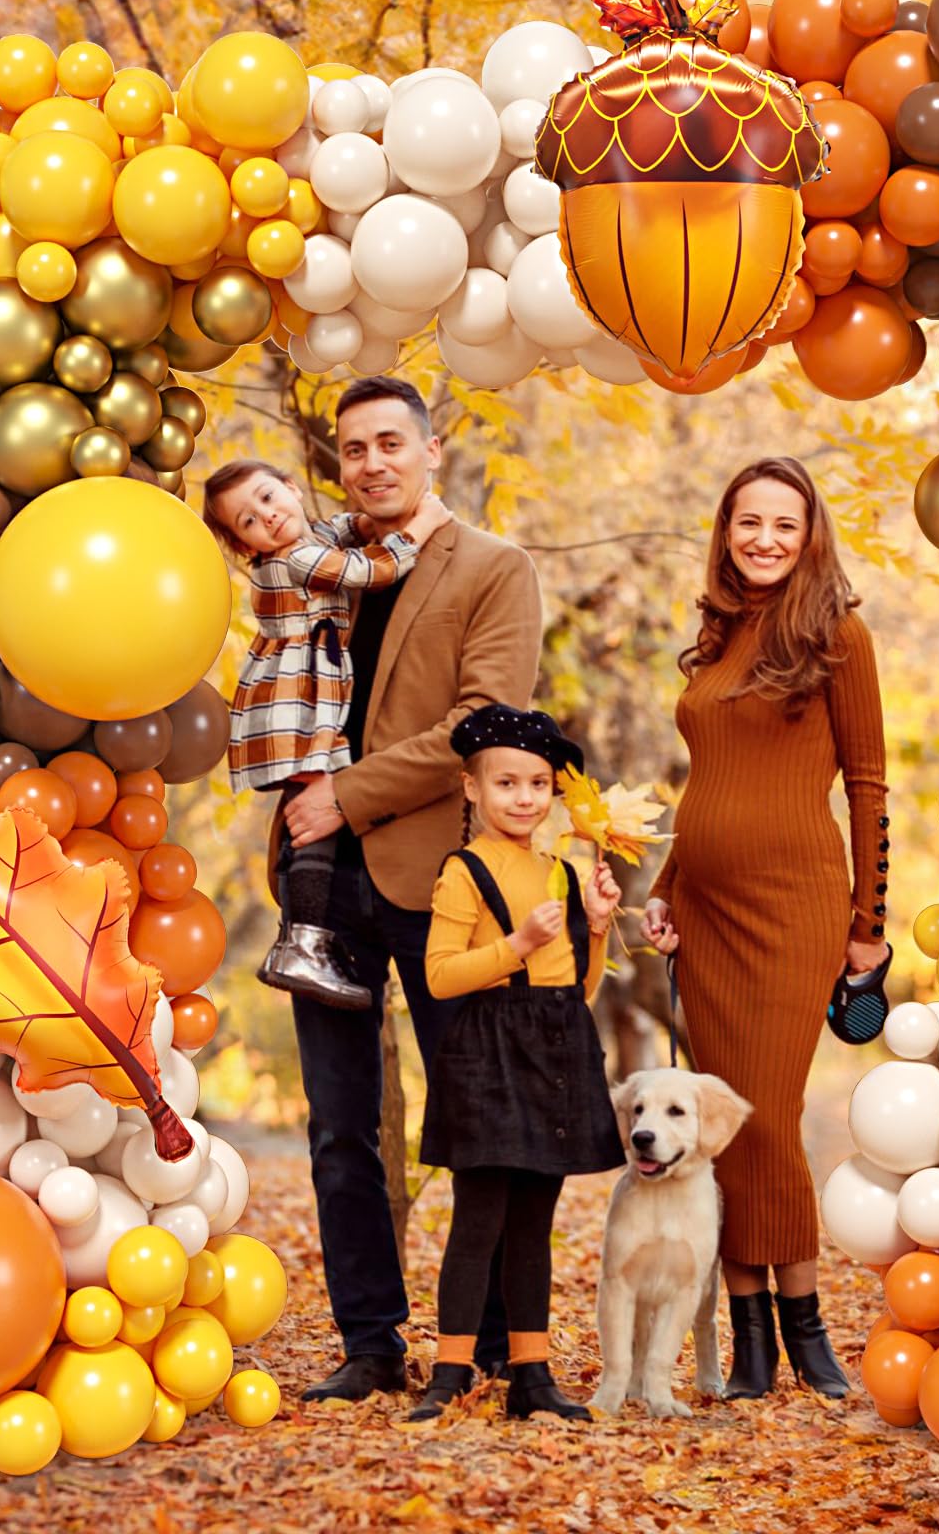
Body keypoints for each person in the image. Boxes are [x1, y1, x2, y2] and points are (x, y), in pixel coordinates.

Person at [266, 377, 545, 1404]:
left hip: (440, 881)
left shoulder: (494, 569)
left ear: (433, 449)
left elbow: (483, 720)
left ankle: (503, 1348)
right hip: (320, 884)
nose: (373, 462)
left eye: (391, 442)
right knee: (340, 1125)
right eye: (353, 448)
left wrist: (344, 794)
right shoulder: (323, 569)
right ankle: (369, 1341)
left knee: (476, 1115)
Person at [641, 456, 889, 1402]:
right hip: (702, 913)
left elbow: (867, 782)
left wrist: (869, 923)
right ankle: (752, 1347)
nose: (764, 540)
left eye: (784, 524)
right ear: (726, 530)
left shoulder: (839, 634)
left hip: (795, 908)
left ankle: (807, 1328)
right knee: (719, 1124)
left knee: (768, 1117)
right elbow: (708, 788)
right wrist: (667, 885)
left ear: (810, 532)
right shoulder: (718, 636)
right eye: (748, 522)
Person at [408, 704, 624, 1423]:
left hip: (555, 1045)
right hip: (487, 1052)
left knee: (535, 1217)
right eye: (506, 783)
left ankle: (532, 1373)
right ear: (472, 789)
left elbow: (578, 987)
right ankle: (451, 1370)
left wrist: (593, 926)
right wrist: (516, 946)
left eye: (537, 784)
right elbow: (439, 975)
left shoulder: (562, 871)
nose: (524, 798)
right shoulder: (464, 872)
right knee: (479, 1217)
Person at [204, 459, 450, 1008]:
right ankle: (303, 942)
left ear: (292, 487)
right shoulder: (294, 558)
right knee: (316, 819)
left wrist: (364, 520)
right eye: (248, 521)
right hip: (297, 704)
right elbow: (369, 572)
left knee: (308, 810)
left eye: (270, 498)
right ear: (246, 546)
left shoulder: (308, 537)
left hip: (297, 699)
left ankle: (301, 939)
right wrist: (422, 523)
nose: (267, 517)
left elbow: (339, 528)